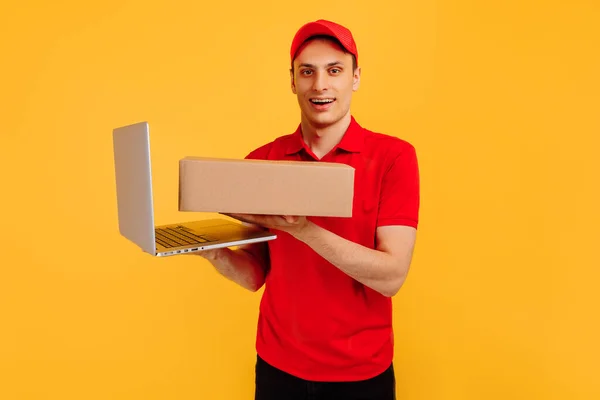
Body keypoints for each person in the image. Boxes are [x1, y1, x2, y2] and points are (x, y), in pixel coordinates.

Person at [193, 19, 420, 400]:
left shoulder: (393, 157)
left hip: (361, 375)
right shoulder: (263, 161)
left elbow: (391, 276)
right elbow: (254, 275)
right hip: (278, 369)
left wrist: (301, 228)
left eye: (334, 71)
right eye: (307, 72)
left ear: (355, 77)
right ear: (293, 81)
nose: (320, 85)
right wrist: (209, 249)